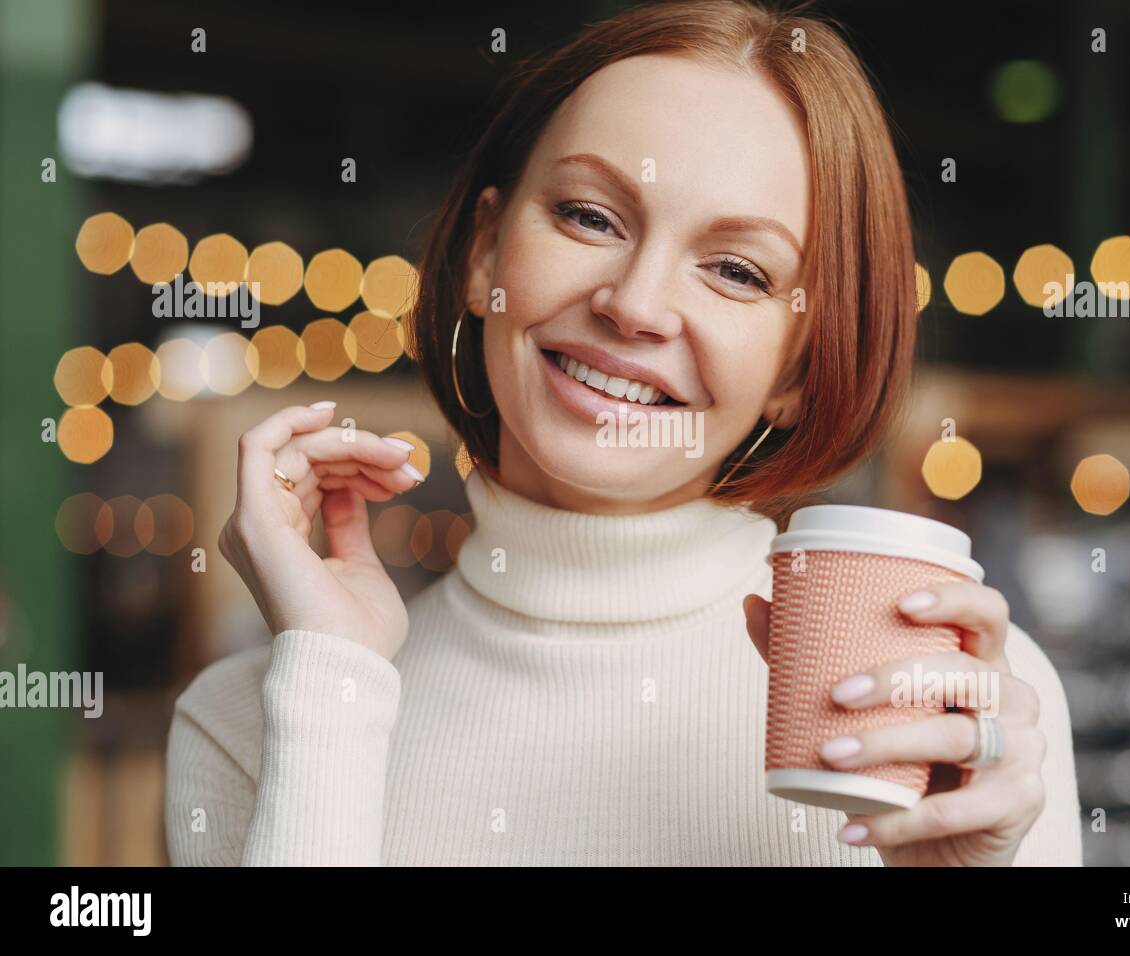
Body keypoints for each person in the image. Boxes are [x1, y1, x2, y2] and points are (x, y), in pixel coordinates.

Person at [165, 0, 1083, 866]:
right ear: (486, 251)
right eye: (589, 216)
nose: (636, 305)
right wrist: (329, 685)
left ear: (802, 369)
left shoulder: (946, 716)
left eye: (734, 270)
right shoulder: (258, 718)